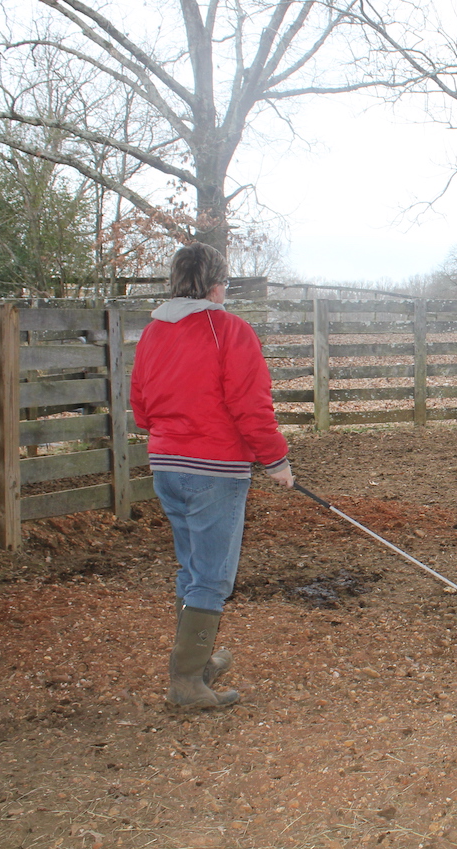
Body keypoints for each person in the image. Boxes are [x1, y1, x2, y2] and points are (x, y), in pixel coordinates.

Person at [130, 242, 294, 709]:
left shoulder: (153, 333)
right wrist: (275, 459)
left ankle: (193, 663)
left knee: (193, 567)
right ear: (218, 283)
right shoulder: (229, 330)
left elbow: (140, 407)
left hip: (165, 465)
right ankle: (186, 684)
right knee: (213, 575)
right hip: (215, 468)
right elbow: (250, 403)